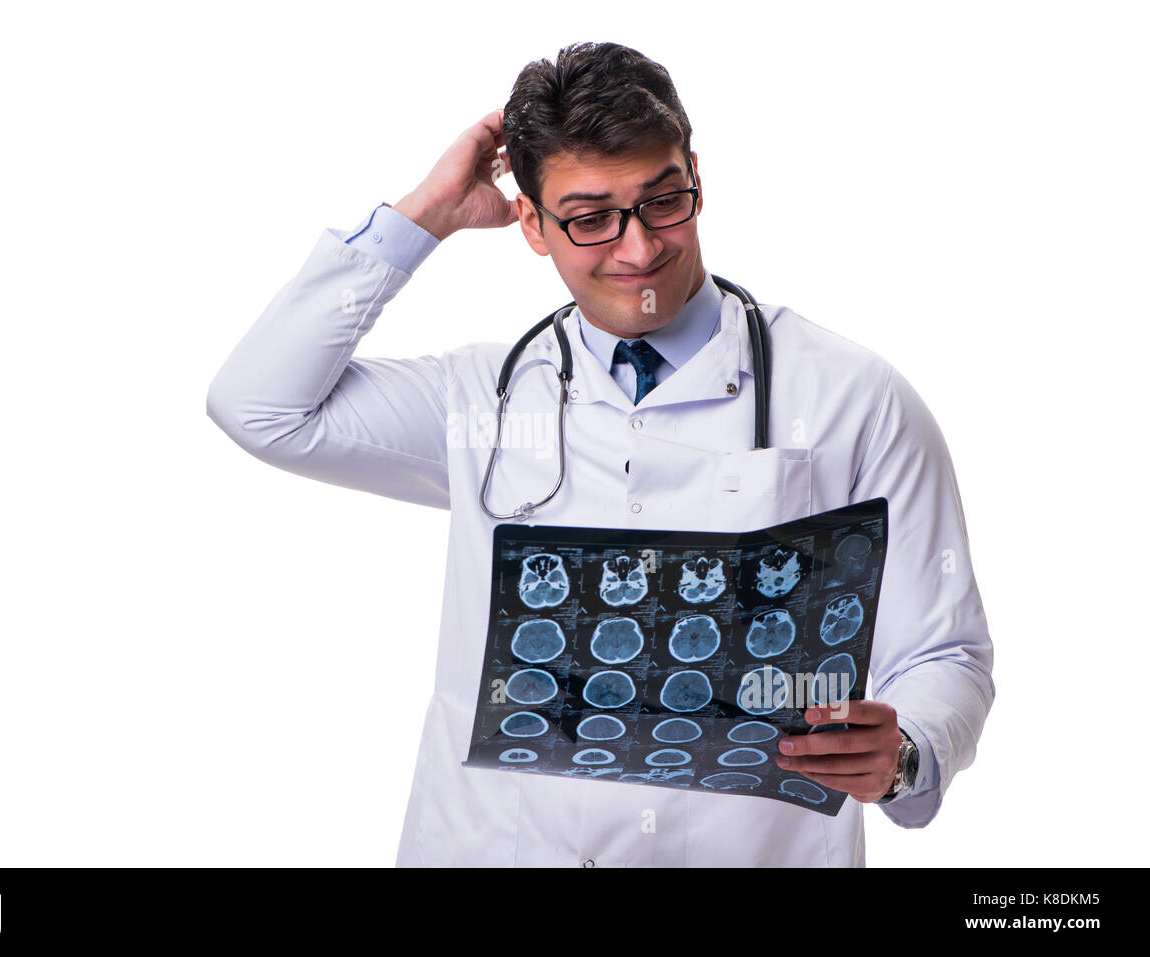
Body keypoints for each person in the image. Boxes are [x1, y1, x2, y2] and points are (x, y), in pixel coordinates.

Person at [205, 41, 995, 867]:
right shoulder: (482, 399)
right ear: (532, 225)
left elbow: (947, 652)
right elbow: (259, 404)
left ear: (697, 176)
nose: (638, 248)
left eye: (663, 200)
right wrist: (422, 215)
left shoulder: (852, 398)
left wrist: (905, 753)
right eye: (589, 218)